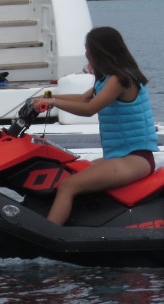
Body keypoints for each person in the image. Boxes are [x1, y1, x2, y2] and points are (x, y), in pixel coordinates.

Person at [34, 26, 158, 225]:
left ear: (101, 50)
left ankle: (47, 233)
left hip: (135, 158)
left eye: (88, 48)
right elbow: (84, 99)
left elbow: (89, 109)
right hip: (120, 157)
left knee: (68, 186)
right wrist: (46, 97)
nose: (86, 53)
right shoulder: (108, 78)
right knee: (71, 170)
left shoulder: (120, 79)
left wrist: (53, 102)